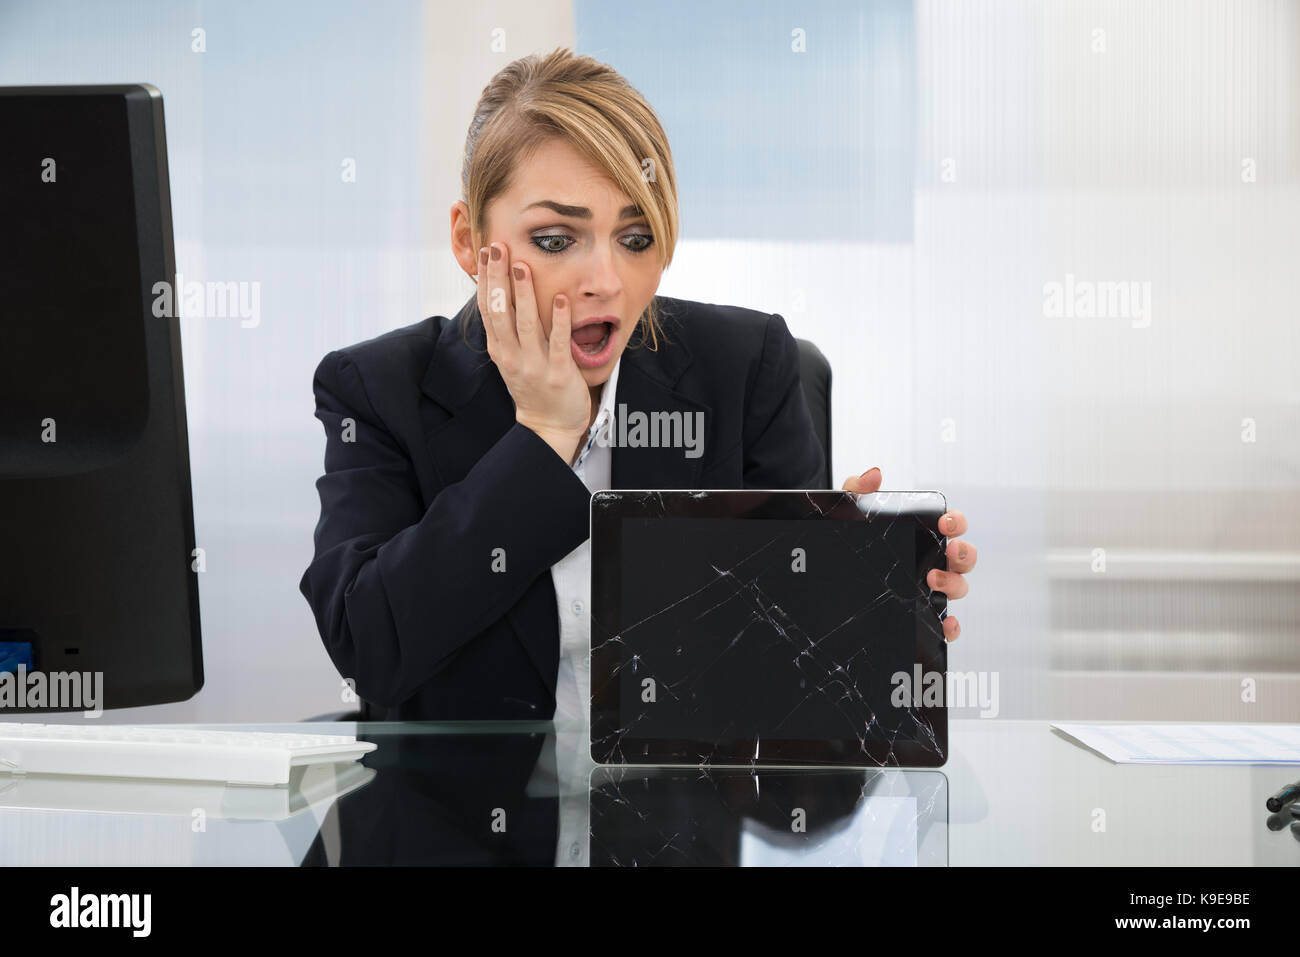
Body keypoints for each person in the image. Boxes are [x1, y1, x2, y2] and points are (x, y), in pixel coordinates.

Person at [298, 47, 978, 722]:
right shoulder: (377, 389)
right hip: (460, 824)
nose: (607, 280)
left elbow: (791, 765)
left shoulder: (745, 369)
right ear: (470, 240)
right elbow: (370, 648)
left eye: (635, 236)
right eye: (557, 238)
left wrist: (852, 613)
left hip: (675, 825)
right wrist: (543, 439)